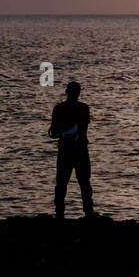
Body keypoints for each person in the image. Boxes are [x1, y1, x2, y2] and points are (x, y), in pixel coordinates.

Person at [49, 80, 95, 219]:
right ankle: (88, 213)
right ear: (79, 93)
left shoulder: (59, 108)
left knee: (61, 183)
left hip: (65, 150)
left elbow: (54, 132)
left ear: (66, 92)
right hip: (80, 149)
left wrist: (65, 132)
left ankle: (59, 214)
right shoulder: (84, 108)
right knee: (85, 183)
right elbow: (84, 129)